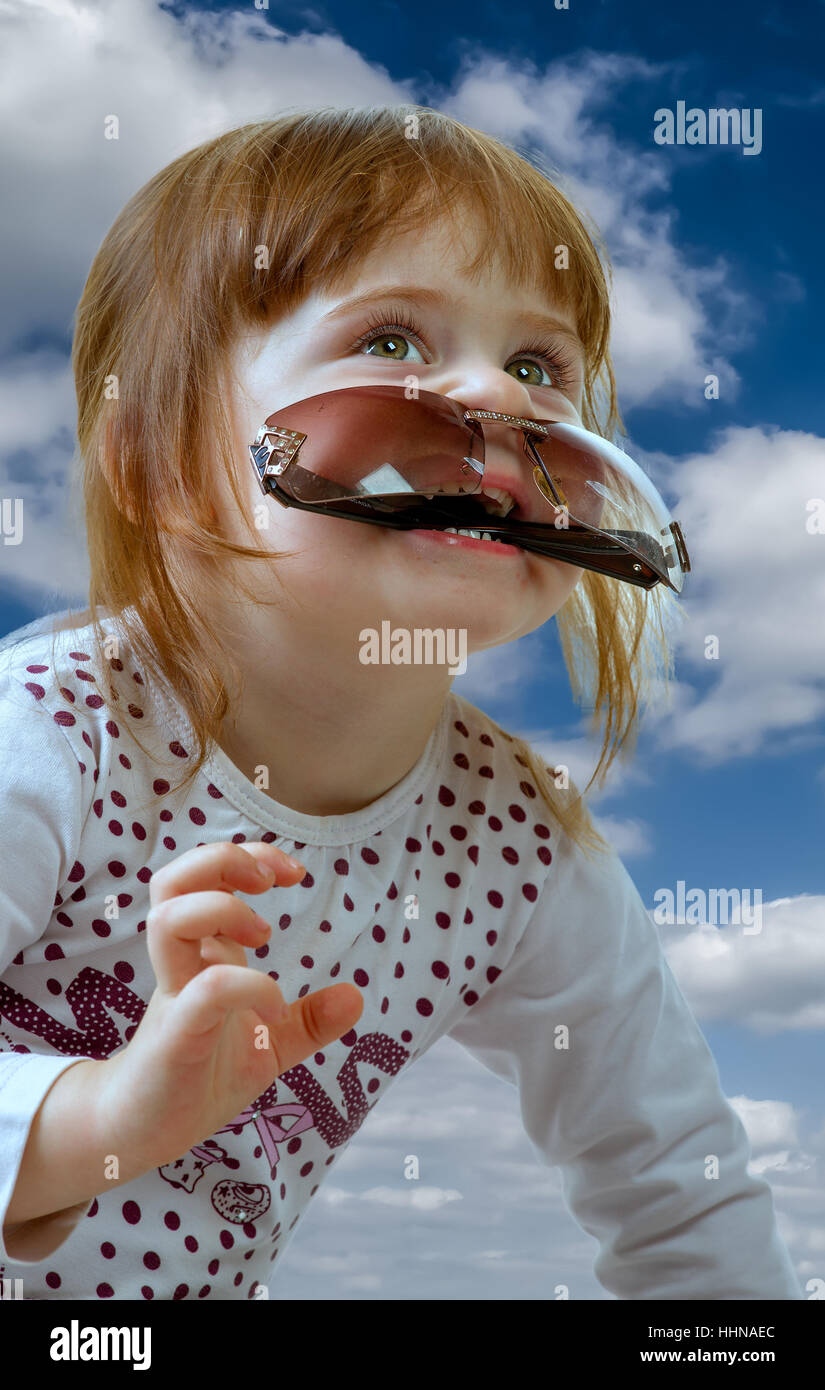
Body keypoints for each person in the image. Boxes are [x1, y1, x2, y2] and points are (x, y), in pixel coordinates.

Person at [0, 104, 801, 1301]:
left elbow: (674, 1174)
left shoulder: (520, 850)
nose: (499, 396)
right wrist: (104, 1117)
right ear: (159, 465)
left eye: (541, 367)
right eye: (392, 339)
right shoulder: (53, 724)